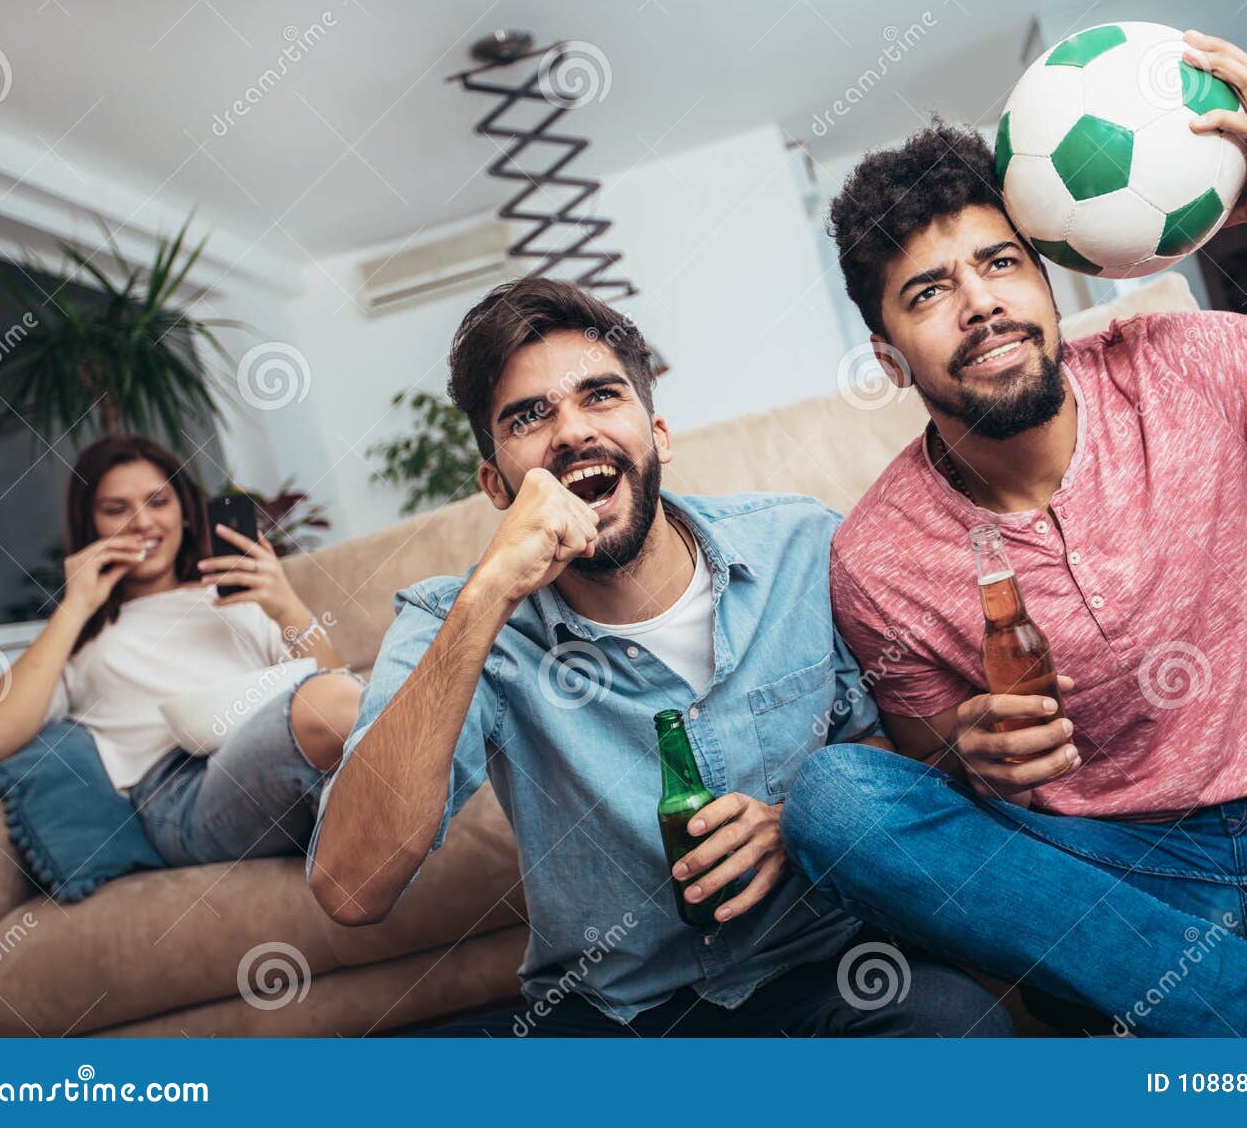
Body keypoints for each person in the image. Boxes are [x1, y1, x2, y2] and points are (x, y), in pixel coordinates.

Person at [782, 31, 1247, 1039]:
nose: (980, 303)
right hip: (1120, 878)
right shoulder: (875, 558)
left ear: (1047, 281)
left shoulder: (1193, 363)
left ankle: (1222, 999)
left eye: (999, 263)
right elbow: (941, 800)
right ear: (886, 356)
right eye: (928, 292)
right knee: (834, 799)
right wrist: (968, 759)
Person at [307, 277, 1009, 1038]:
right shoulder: (456, 620)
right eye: (528, 416)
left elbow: (905, 750)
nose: (571, 431)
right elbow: (352, 888)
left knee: (959, 1025)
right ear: (496, 485)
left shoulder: (801, 546)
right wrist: (486, 599)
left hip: (830, 969)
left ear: (659, 435)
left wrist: (796, 823)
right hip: (621, 1015)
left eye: (601, 395)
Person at [0, 433, 363, 867]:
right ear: (90, 525)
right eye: (116, 509)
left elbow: (350, 701)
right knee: (328, 703)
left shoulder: (243, 600)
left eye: (158, 502)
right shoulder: (79, 639)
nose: (142, 522)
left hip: (280, 748)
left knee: (360, 700)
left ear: (185, 513)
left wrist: (287, 607)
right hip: (181, 795)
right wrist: (75, 606)